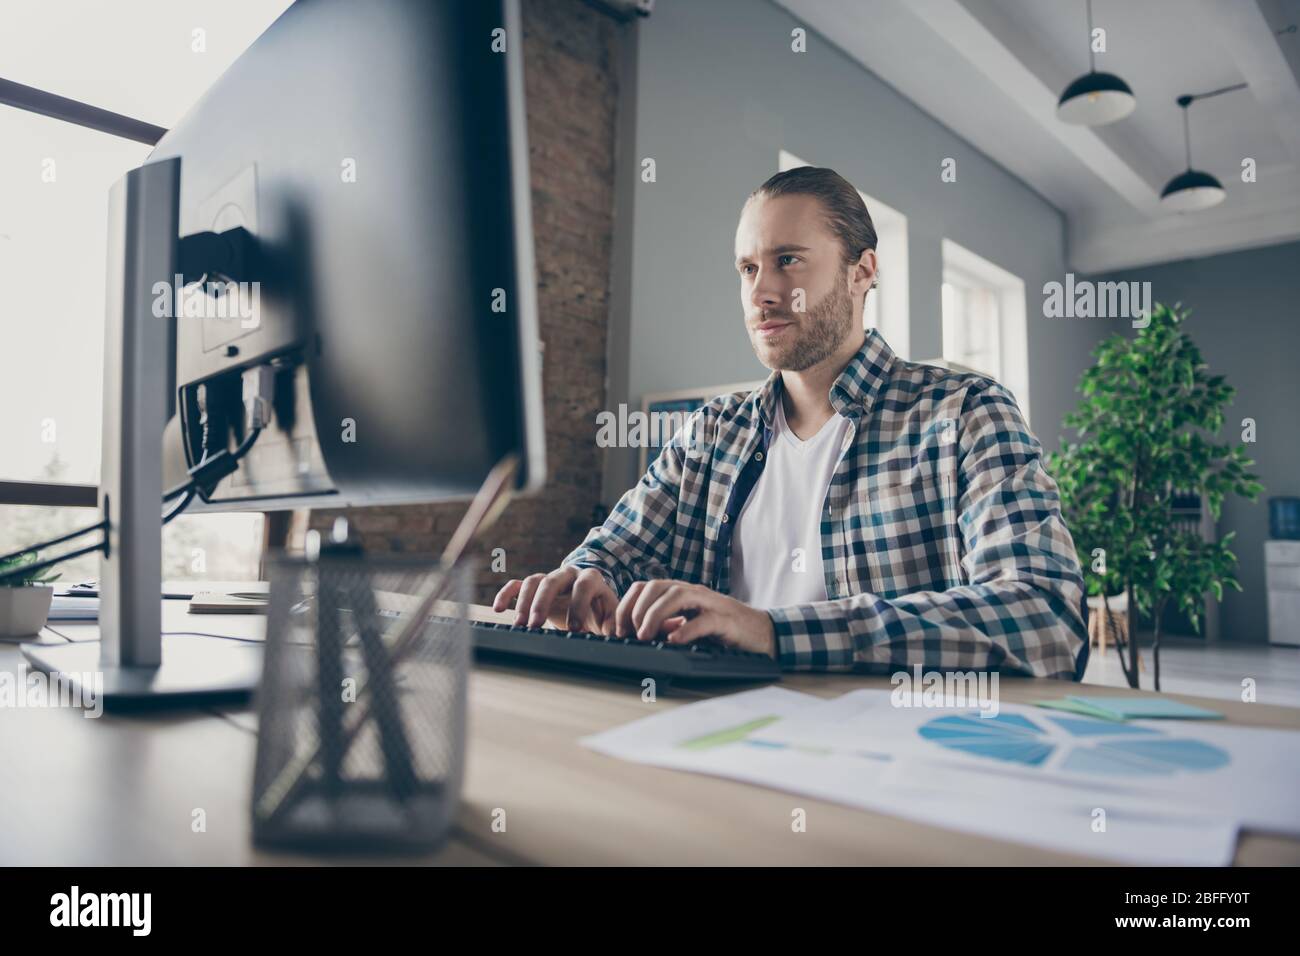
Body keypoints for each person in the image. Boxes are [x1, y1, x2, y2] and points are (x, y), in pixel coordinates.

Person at [494, 165, 1087, 678]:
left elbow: (1046, 618)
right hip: (715, 744)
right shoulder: (709, 435)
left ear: (862, 271)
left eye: (788, 261)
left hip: (888, 766)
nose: (763, 293)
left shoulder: (965, 414)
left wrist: (771, 631)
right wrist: (583, 579)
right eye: (748, 269)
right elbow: (612, 555)